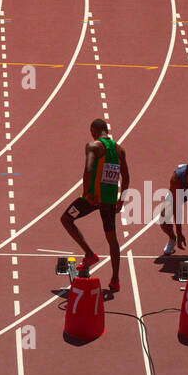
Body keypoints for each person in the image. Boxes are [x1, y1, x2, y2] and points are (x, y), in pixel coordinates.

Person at [59, 119, 129, 290]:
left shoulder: (93, 146)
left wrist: (86, 194)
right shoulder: (120, 150)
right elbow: (126, 177)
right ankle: (115, 280)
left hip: (92, 198)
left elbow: (88, 169)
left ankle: (89, 254)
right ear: (106, 130)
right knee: (112, 239)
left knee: (66, 219)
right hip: (110, 201)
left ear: (93, 130)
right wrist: (122, 199)